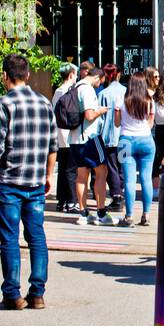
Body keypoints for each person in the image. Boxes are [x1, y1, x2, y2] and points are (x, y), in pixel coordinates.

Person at [0, 54, 57, 310]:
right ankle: (37, 293)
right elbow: (53, 146)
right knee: (37, 236)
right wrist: (48, 175)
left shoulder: (3, 104)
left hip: (8, 182)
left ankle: (12, 294)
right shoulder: (44, 104)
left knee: (9, 238)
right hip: (36, 182)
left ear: (5, 76)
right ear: (27, 75)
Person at [69, 67, 111, 226]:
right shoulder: (87, 90)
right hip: (89, 137)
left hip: (74, 138)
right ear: (97, 78)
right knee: (102, 171)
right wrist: (101, 110)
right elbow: (89, 115)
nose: (99, 85)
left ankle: (83, 212)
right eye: (100, 82)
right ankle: (101, 212)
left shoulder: (75, 87)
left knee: (81, 175)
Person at [115, 74, 156, 227]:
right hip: (146, 140)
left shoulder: (121, 100)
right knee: (146, 178)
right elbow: (151, 124)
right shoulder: (150, 101)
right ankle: (146, 214)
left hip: (125, 141)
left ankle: (129, 216)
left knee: (129, 180)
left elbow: (117, 124)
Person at [50, 63, 80, 212]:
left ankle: (61, 201)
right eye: (75, 74)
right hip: (68, 135)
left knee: (63, 169)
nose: (76, 77)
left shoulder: (57, 92)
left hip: (59, 136)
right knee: (70, 170)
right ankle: (71, 202)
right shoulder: (67, 92)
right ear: (70, 75)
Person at [97, 64, 126, 210]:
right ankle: (123, 192)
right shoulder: (126, 92)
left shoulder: (103, 94)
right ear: (118, 74)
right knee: (123, 165)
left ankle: (116, 196)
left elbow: (99, 119)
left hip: (109, 136)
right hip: (125, 135)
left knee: (112, 167)